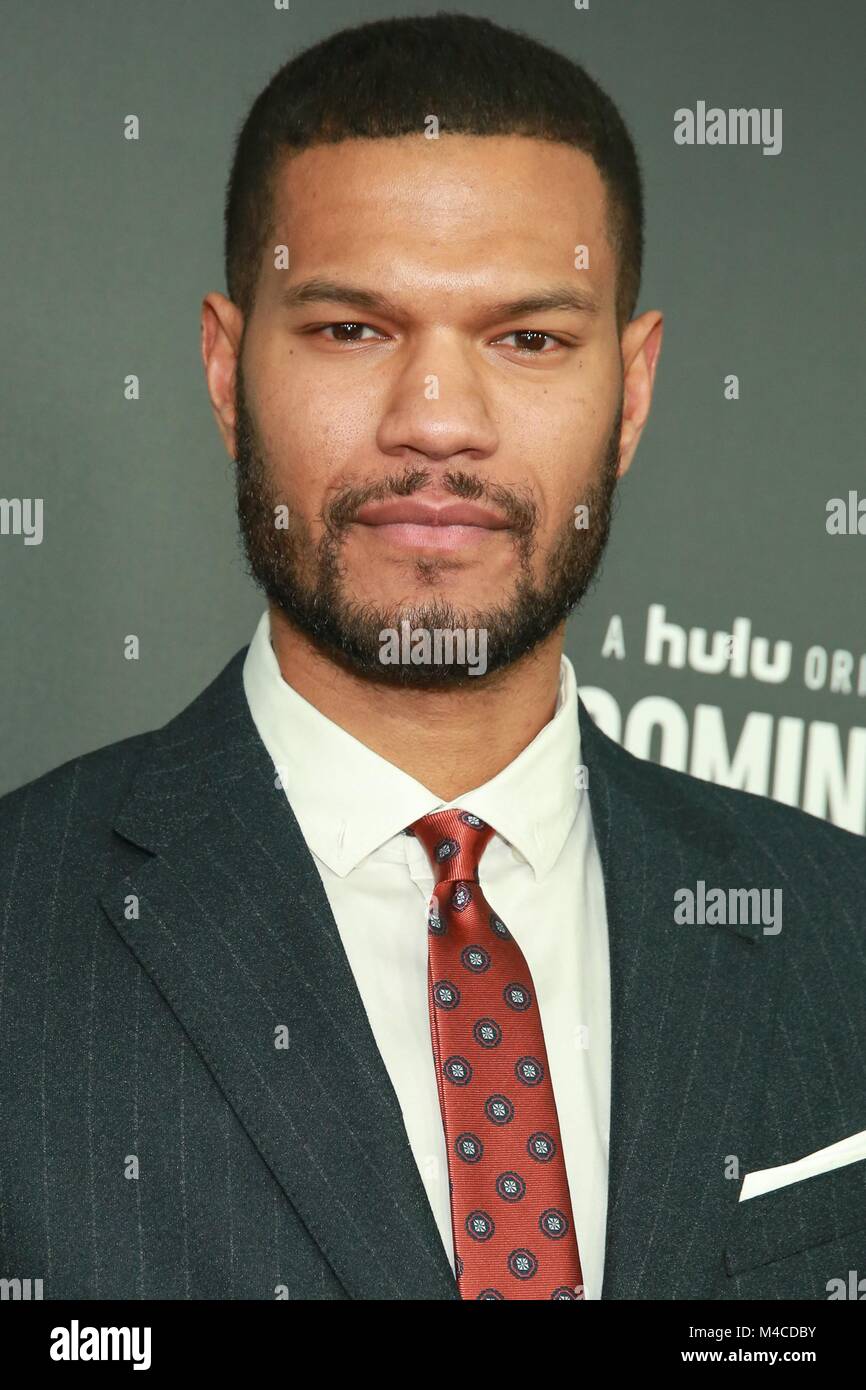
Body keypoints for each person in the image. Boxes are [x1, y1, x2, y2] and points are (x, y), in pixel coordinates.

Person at [1, 13, 864, 1302]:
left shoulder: (838, 927)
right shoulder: (24, 935)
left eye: (528, 339)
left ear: (630, 393)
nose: (438, 423)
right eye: (353, 330)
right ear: (228, 372)